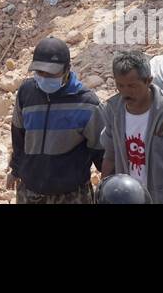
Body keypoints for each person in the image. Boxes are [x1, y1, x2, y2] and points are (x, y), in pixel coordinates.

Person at [7, 37, 105, 204]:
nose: (44, 78)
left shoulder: (87, 104)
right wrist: (15, 170)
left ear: (67, 70)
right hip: (30, 191)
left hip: (72, 195)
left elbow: (101, 151)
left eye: (51, 73)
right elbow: (18, 136)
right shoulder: (26, 93)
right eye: (39, 72)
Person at [100, 50, 163, 202]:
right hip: (129, 197)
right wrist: (104, 188)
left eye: (132, 86)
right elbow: (110, 155)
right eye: (120, 85)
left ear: (148, 81)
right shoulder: (113, 110)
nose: (125, 92)